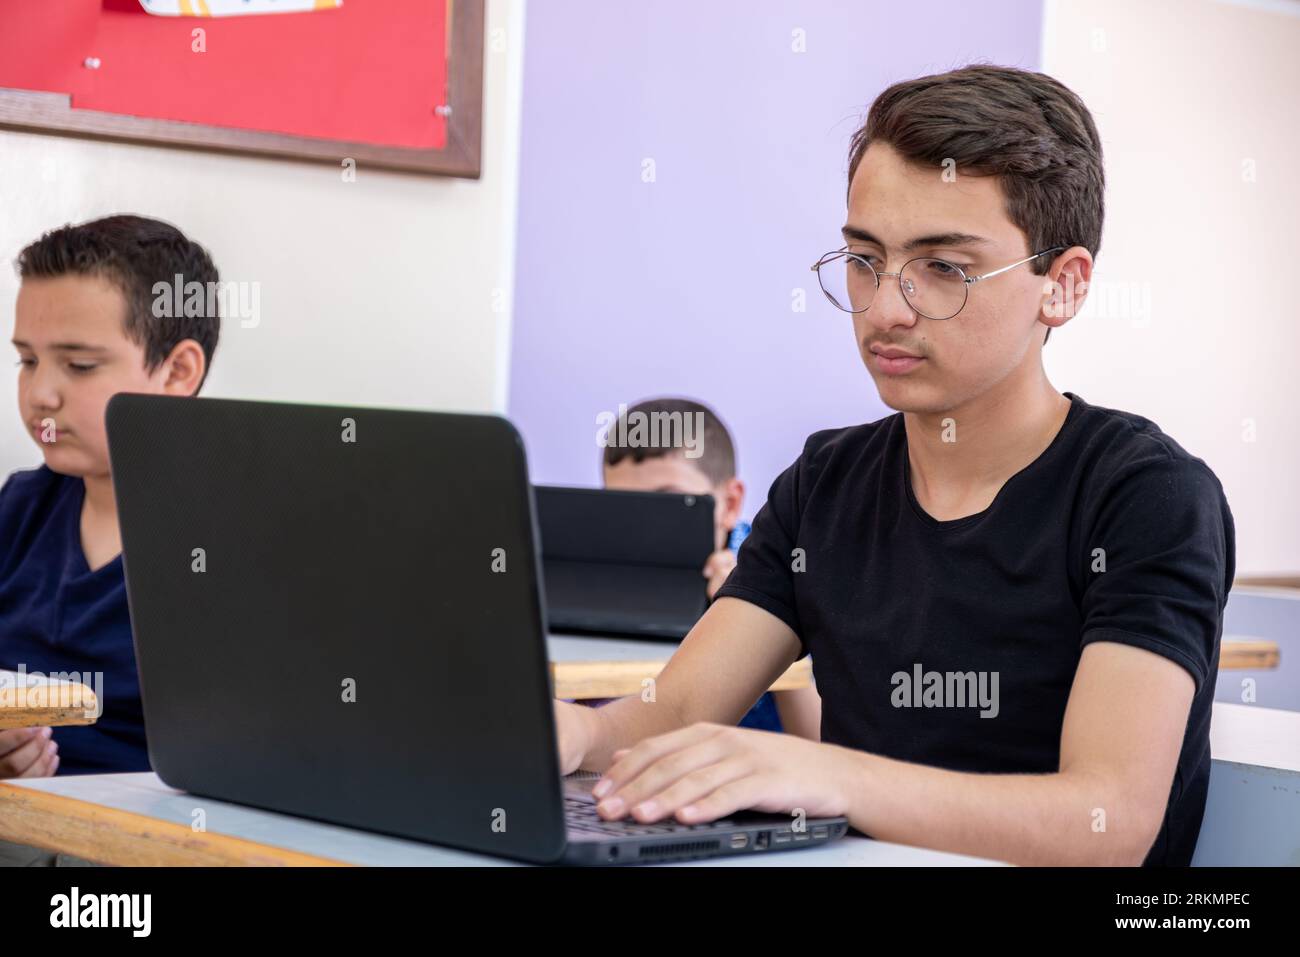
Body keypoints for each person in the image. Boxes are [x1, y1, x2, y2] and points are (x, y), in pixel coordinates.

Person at [554, 65, 1235, 867]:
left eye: (944, 267)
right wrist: (570, 729)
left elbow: (1108, 820)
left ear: (1063, 286)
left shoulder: (1144, 495)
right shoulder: (826, 484)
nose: (885, 308)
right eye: (865, 259)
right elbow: (667, 715)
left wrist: (823, 773)